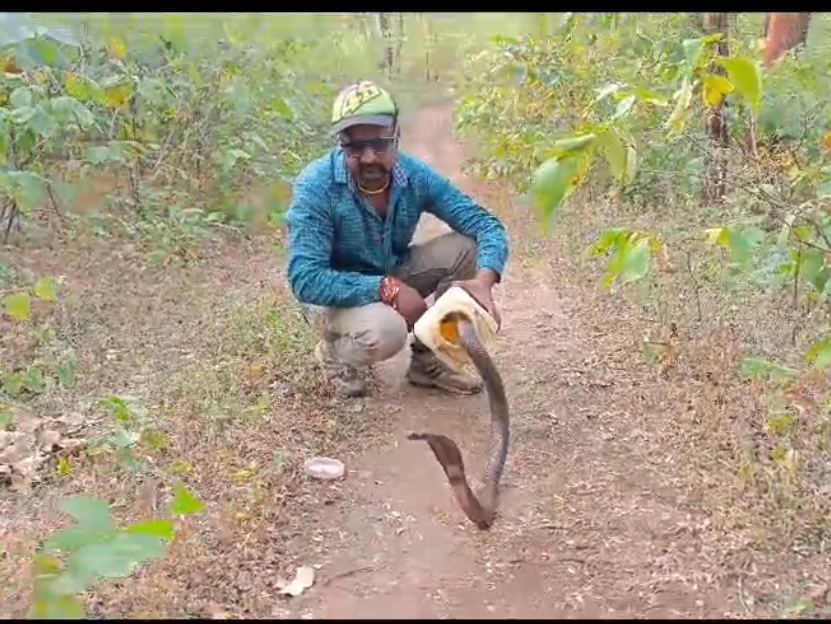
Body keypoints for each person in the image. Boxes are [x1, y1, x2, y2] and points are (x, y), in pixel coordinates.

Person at [285, 79, 510, 398]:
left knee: (466, 250)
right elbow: (305, 278)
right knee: (386, 332)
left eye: (379, 144)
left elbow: (484, 224)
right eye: (354, 148)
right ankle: (334, 355)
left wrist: (484, 282)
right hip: (334, 297)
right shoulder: (316, 186)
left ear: (396, 136)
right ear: (340, 144)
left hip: (390, 268)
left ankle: (426, 361)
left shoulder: (415, 176)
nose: (368, 158)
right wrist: (386, 289)